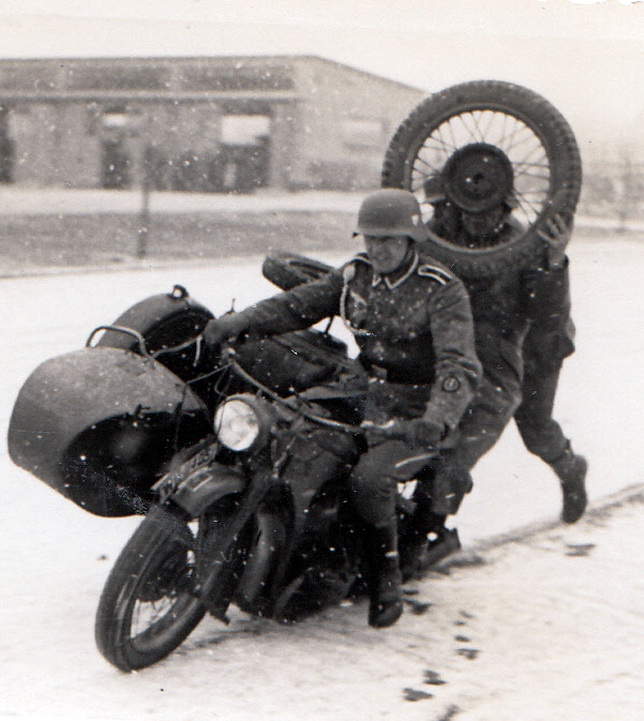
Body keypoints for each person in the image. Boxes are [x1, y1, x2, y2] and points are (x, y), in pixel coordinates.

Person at [203, 189, 481, 628]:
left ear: (411, 239)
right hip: (360, 389)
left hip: (416, 409)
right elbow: (299, 305)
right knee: (285, 429)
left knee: (370, 479)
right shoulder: (357, 274)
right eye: (371, 238)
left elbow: (458, 366)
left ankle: (385, 575)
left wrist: (436, 419)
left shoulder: (441, 290)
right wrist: (245, 321)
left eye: (388, 240)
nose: (378, 248)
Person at [421, 176, 588, 524]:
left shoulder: (522, 244)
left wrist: (553, 259)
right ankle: (431, 520)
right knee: (458, 430)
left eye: (491, 211)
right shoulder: (440, 236)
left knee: (536, 430)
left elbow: (547, 314)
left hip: (533, 345)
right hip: (480, 344)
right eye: (462, 209)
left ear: (506, 207)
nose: (477, 218)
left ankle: (571, 471)